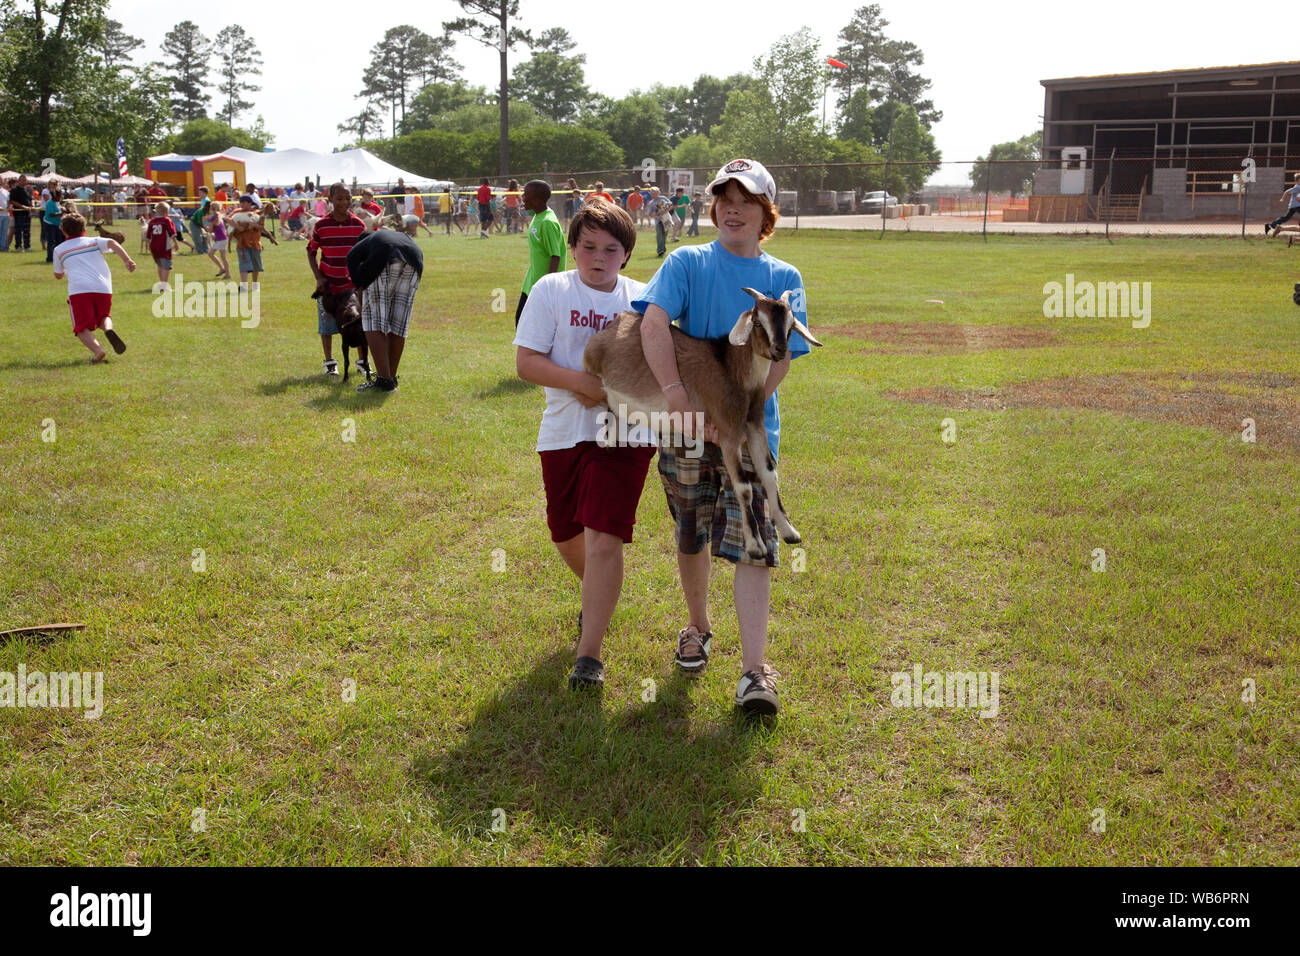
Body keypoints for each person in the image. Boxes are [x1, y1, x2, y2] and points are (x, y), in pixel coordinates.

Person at [632, 158, 815, 718]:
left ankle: (756, 671)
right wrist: (677, 394)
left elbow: (781, 357)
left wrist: (735, 418)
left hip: (750, 437)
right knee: (692, 534)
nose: (733, 208)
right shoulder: (687, 261)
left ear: (766, 213)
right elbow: (653, 322)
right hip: (685, 427)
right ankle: (697, 627)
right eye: (724, 198)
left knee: (754, 546)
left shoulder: (785, 279)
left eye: (748, 199)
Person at [513, 198, 654, 691]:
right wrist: (581, 382)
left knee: (602, 536)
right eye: (588, 246)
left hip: (625, 433)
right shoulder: (551, 289)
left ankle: (588, 656)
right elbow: (527, 362)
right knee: (566, 534)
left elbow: (662, 361)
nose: (598, 257)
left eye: (611, 249)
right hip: (562, 429)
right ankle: (601, 592)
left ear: (626, 255)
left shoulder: (642, 299)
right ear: (571, 248)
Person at [346, 219, 423, 393]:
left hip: (386, 256)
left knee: (373, 323)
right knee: (398, 324)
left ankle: (383, 381)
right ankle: (390, 379)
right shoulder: (390, 236)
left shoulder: (364, 246)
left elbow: (351, 259)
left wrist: (361, 296)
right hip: (415, 260)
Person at [53, 212, 136, 363]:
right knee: (104, 316)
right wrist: (127, 260)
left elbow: (58, 275)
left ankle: (98, 351)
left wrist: (65, 268)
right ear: (84, 229)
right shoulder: (94, 241)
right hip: (103, 287)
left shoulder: (59, 249)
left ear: (63, 231)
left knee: (81, 328)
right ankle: (108, 329)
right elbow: (112, 243)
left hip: (79, 290)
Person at [307, 182, 368, 377]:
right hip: (328, 286)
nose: (344, 202)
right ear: (330, 200)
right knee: (326, 325)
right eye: (339, 198)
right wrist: (318, 277)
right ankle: (330, 362)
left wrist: (362, 280)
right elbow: (311, 251)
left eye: (348, 198)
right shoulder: (321, 225)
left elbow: (365, 254)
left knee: (357, 323)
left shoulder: (359, 225)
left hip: (352, 286)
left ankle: (363, 361)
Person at [517, 180, 566, 327]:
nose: (522, 198)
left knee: (529, 327)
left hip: (542, 286)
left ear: (536, 199)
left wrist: (549, 286)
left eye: (526, 195)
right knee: (521, 323)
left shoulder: (547, 222)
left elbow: (555, 256)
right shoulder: (538, 216)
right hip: (531, 282)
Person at [232, 194, 265, 290]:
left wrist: (255, 225)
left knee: (255, 265)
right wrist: (235, 225)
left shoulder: (256, 213)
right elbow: (228, 220)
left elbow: (262, 228)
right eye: (240, 203)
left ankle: (255, 285)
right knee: (244, 265)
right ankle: (244, 286)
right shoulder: (236, 213)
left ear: (250, 203)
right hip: (242, 243)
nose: (241, 205)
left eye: (244, 203)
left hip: (255, 243)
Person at [146, 201, 178, 287]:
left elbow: (148, 236)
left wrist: (149, 246)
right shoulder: (166, 220)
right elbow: (172, 233)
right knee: (166, 266)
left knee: (160, 265)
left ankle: (162, 283)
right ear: (165, 212)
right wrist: (175, 243)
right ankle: (164, 285)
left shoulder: (152, 221)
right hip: (164, 246)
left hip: (154, 246)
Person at [206, 201, 231, 279]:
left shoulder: (214, 217)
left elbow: (210, 230)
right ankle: (223, 269)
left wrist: (204, 223)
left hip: (220, 239)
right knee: (211, 253)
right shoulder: (219, 215)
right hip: (221, 238)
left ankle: (227, 273)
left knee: (222, 256)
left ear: (211, 208)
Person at [42, 188, 67, 263]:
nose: (62, 196)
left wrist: (63, 210)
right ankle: (50, 258)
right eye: (60, 195)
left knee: (58, 241)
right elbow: (51, 214)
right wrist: (60, 213)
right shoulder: (50, 203)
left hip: (56, 225)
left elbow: (58, 210)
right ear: (56, 196)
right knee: (51, 241)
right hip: (50, 224)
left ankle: (58, 257)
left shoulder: (57, 203)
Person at [11, 175, 34, 252]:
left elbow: (31, 199)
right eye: (23, 180)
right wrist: (23, 207)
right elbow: (12, 201)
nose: (24, 182)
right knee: (18, 231)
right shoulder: (14, 190)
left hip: (27, 213)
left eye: (25, 180)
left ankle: (27, 246)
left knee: (27, 231)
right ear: (19, 181)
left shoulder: (27, 189)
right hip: (19, 214)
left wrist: (32, 205)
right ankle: (18, 247)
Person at [647, 186, 673, 257]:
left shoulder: (663, 198)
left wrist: (664, 212)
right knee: (659, 236)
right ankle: (660, 251)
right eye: (652, 193)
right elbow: (649, 214)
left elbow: (670, 205)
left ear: (658, 193)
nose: (654, 195)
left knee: (664, 235)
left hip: (666, 219)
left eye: (655, 193)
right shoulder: (651, 203)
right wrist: (657, 217)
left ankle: (663, 249)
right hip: (658, 221)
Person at [0, 179, 10, 252]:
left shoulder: (6, 192)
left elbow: (8, 202)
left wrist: (10, 207)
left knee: (4, 232)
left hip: (6, 214)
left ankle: (3, 247)